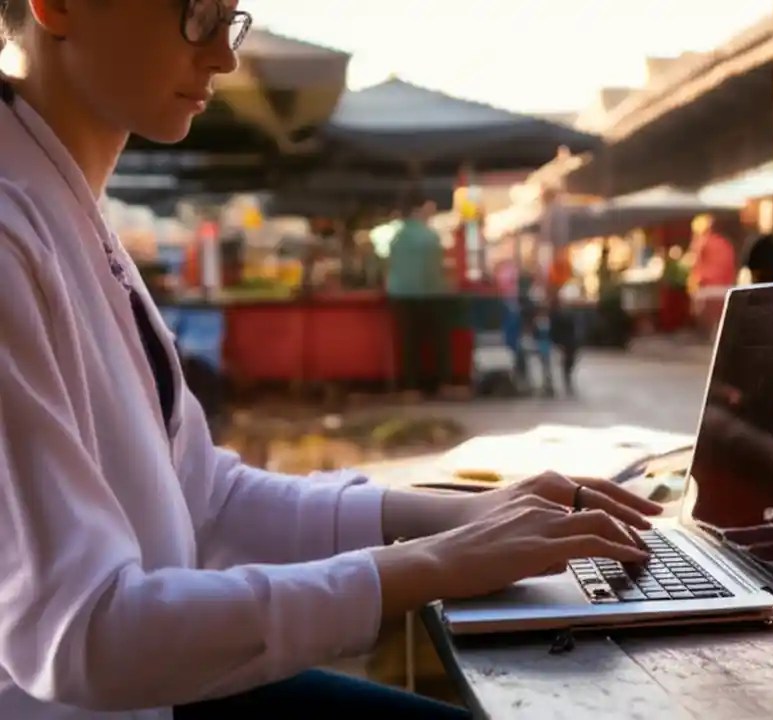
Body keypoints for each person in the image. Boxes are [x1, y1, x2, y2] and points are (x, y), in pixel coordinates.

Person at [0, 3, 659, 719]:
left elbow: (204, 497)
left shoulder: (64, 209)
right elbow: (86, 636)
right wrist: (428, 563)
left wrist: (462, 515)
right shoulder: (13, 237)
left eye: (232, 18)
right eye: (195, 15)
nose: (223, 56)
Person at [386, 198, 453, 395]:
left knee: (409, 343)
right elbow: (437, 268)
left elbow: (390, 266)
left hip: (401, 295)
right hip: (431, 293)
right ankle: (443, 383)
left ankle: (410, 387)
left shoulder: (397, 237)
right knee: (438, 342)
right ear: (421, 210)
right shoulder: (430, 236)